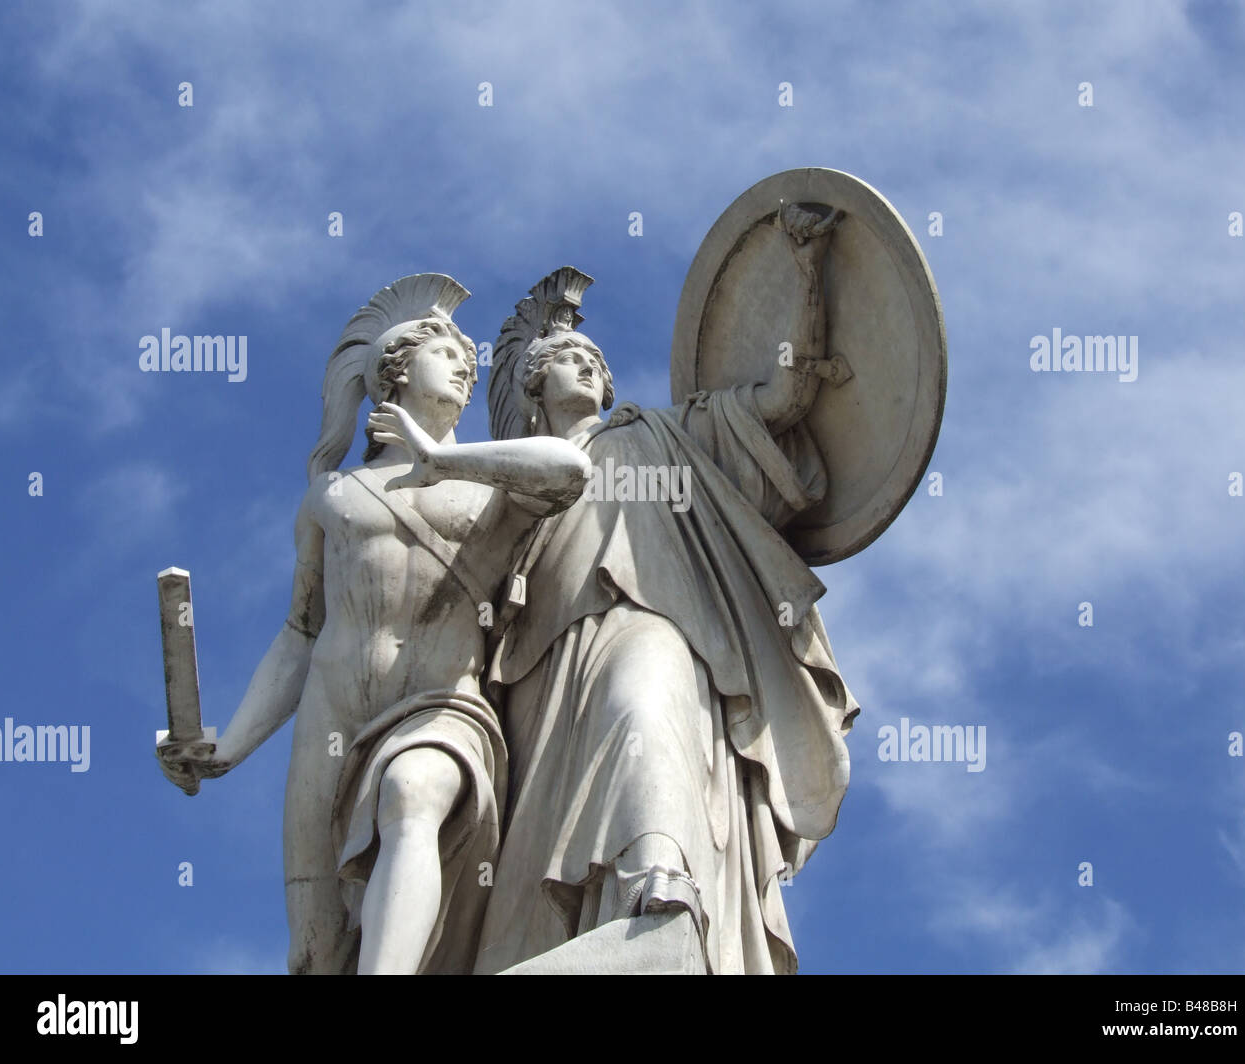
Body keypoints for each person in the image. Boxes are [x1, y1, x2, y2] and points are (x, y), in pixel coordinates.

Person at [158, 275, 590, 974]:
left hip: (441, 701)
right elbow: (301, 632)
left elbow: (569, 469)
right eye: (445, 351)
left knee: (411, 794)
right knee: (317, 949)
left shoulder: (488, 480)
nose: (463, 364)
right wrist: (228, 748)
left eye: (468, 360)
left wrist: (441, 459)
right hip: (330, 716)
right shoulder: (329, 497)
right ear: (395, 371)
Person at [474, 208, 859, 974]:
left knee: (643, 705)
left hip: (651, 618)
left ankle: (662, 889)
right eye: (566, 357)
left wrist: (809, 269)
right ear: (532, 384)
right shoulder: (507, 487)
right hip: (539, 668)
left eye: (594, 358)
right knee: (530, 828)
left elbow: (784, 398)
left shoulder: (668, 434)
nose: (588, 366)